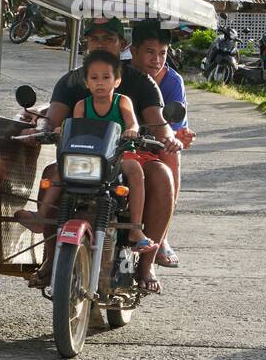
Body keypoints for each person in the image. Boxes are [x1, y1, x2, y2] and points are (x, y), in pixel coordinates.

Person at [15, 16, 182, 293]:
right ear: (86, 43)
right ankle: (49, 260)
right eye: (95, 39)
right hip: (83, 159)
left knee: (162, 175)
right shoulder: (71, 82)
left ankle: (146, 264)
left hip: (130, 156)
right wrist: (38, 129)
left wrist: (169, 139)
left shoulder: (140, 83)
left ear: (123, 44)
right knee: (50, 175)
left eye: (109, 39)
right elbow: (53, 118)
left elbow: (159, 123)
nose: (101, 44)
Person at [74, 50, 155, 253]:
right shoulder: (81, 105)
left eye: (106, 77)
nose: (100, 82)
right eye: (94, 78)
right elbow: (75, 129)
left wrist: (132, 131)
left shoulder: (122, 102)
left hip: (119, 154)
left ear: (117, 80)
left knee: (135, 170)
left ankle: (135, 229)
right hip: (90, 156)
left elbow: (133, 123)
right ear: (86, 82)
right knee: (57, 172)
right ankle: (43, 215)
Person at [129, 21, 195, 268]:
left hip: (153, 144)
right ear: (133, 50)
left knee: (171, 154)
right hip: (117, 144)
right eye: (150, 52)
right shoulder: (117, 74)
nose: (156, 59)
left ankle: (162, 236)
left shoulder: (172, 81)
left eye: (162, 53)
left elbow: (175, 128)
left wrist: (178, 137)